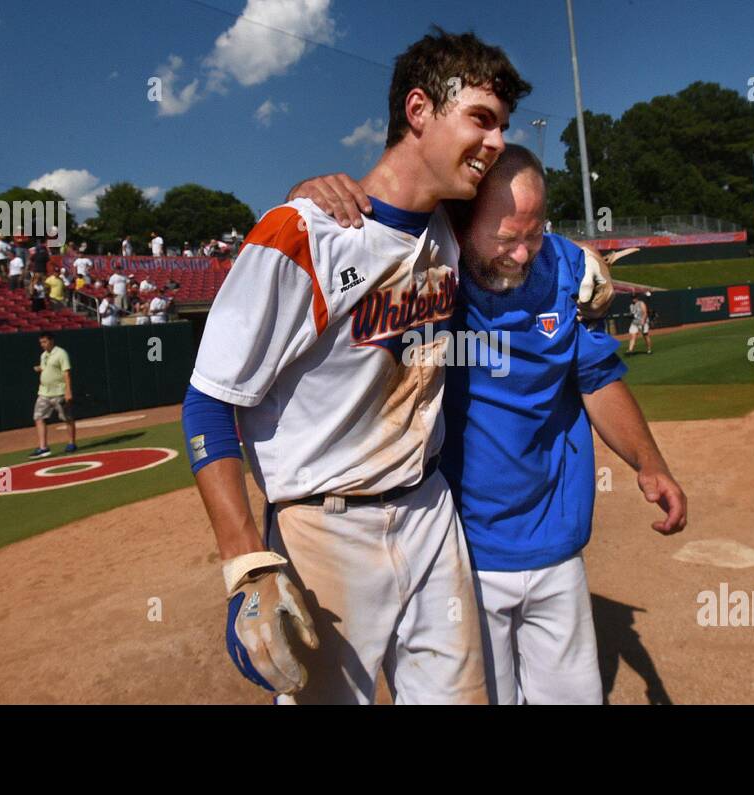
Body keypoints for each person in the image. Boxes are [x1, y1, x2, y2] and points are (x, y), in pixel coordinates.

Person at [183, 28, 531, 705]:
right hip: (323, 528)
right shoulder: (300, 232)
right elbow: (208, 401)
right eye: (481, 119)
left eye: (503, 126)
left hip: (430, 512)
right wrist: (246, 562)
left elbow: (520, 232)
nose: (495, 142)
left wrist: (582, 262)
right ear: (420, 110)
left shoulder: (448, 228)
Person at [293, 145, 687, 703]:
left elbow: (596, 377)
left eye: (535, 233)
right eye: (506, 238)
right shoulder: (431, 276)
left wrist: (650, 464)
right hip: (462, 554)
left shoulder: (564, 270)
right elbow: (349, 241)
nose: (522, 255)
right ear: (460, 224)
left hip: (557, 544)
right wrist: (307, 192)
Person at [30, 332, 77, 458]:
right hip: (44, 392)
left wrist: (68, 391)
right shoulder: (43, 355)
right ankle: (43, 447)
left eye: (44, 342)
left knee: (66, 418)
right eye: (41, 342)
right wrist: (40, 368)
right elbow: (46, 368)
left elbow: (66, 373)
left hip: (59, 392)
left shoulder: (61, 353)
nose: (42, 345)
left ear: (51, 341)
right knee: (39, 417)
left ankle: (71, 443)